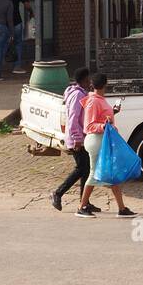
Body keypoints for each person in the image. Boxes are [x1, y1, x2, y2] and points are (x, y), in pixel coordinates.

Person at [76, 73, 136, 218]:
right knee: (94, 173)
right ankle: (82, 206)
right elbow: (89, 125)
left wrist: (113, 112)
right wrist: (104, 125)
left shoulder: (99, 100)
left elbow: (100, 118)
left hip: (101, 140)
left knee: (112, 174)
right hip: (96, 140)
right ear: (105, 84)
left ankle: (122, 208)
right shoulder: (94, 101)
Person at [52, 69, 98, 212]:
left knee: (86, 170)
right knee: (82, 169)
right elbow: (73, 119)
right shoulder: (78, 95)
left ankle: (84, 201)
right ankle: (58, 193)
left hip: (81, 138)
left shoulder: (80, 93)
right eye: (88, 80)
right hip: (77, 139)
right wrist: (77, 139)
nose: (90, 82)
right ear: (84, 80)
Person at [2, 0, 32, 74]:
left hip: (4, 22)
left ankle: (0, 66)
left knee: (3, 44)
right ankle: (17, 66)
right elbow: (27, 6)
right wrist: (31, 12)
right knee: (18, 43)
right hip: (16, 21)